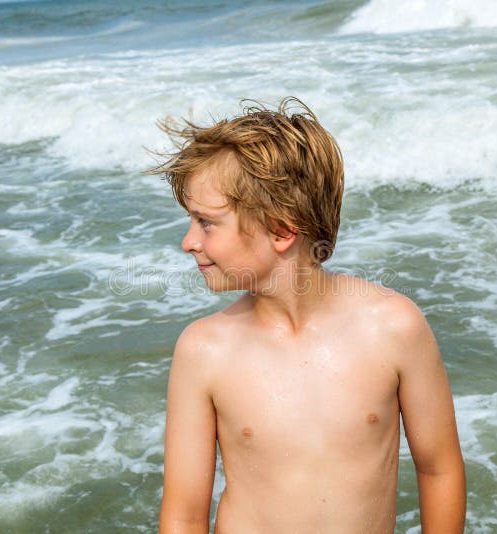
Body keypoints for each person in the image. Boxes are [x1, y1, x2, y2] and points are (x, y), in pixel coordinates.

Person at [151, 97, 465, 533]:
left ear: (281, 230)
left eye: (206, 223)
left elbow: (440, 470)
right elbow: (184, 516)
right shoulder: (205, 350)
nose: (188, 241)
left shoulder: (392, 327)